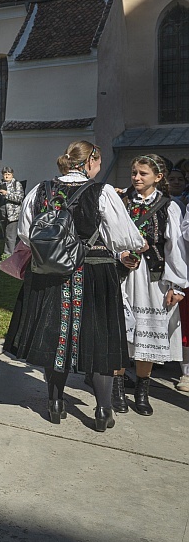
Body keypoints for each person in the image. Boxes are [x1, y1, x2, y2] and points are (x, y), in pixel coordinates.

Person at [4, 141, 146, 432]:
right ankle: (103, 409)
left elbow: (25, 234)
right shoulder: (102, 192)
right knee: (100, 338)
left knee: (55, 335)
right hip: (94, 272)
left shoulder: (40, 190)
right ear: (90, 161)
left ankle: (55, 403)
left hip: (48, 272)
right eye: (99, 161)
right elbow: (125, 239)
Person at [117, 154, 187, 414]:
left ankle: (143, 392)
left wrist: (177, 285)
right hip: (123, 277)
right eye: (134, 172)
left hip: (153, 278)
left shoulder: (170, 207)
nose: (136, 177)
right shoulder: (121, 202)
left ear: (158, 177)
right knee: (121, 334)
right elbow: (108, 237)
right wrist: (121, 255)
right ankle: (117, 388)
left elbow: (175, 249)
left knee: (149, 338)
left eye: (142, 174)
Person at [0, 166, 25, 257]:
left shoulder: (17, 184)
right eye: (5, 174)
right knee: (5, 235)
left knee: (10, 236)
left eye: (8, 174)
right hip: (2, 212)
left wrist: (6, 194)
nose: (6, 176)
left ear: (12, 175)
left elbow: (19, 198)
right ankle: (8, 253)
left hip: (13, 214)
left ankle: (8, 255)